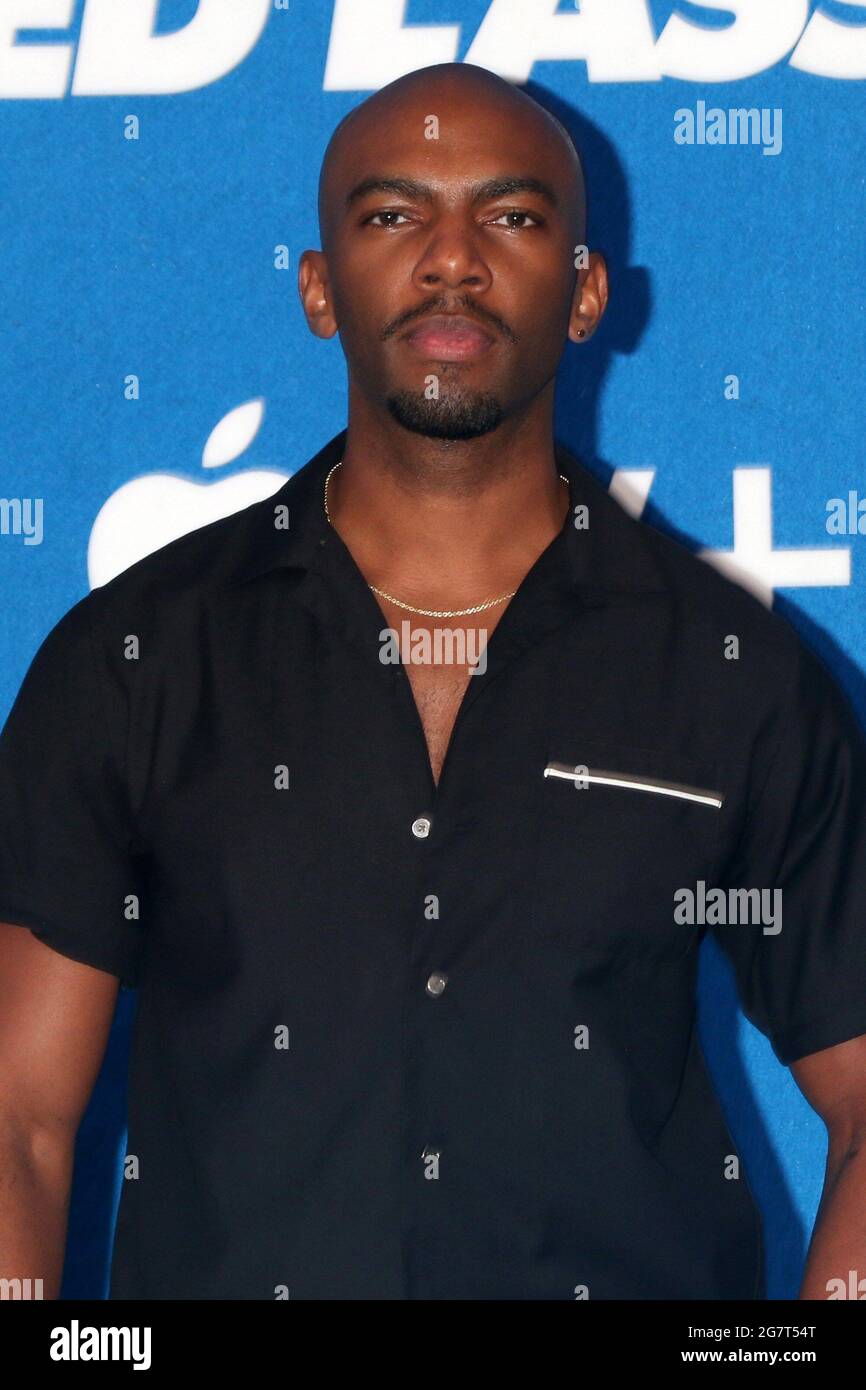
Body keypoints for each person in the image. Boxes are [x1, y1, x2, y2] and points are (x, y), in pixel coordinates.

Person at [1, 62, 865, 1302]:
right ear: (315, 287)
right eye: (391, 214)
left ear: (585, 292)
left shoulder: (733, 677)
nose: (450, 259)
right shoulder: (135, 663)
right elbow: (16, 1122)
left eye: (510, 217)